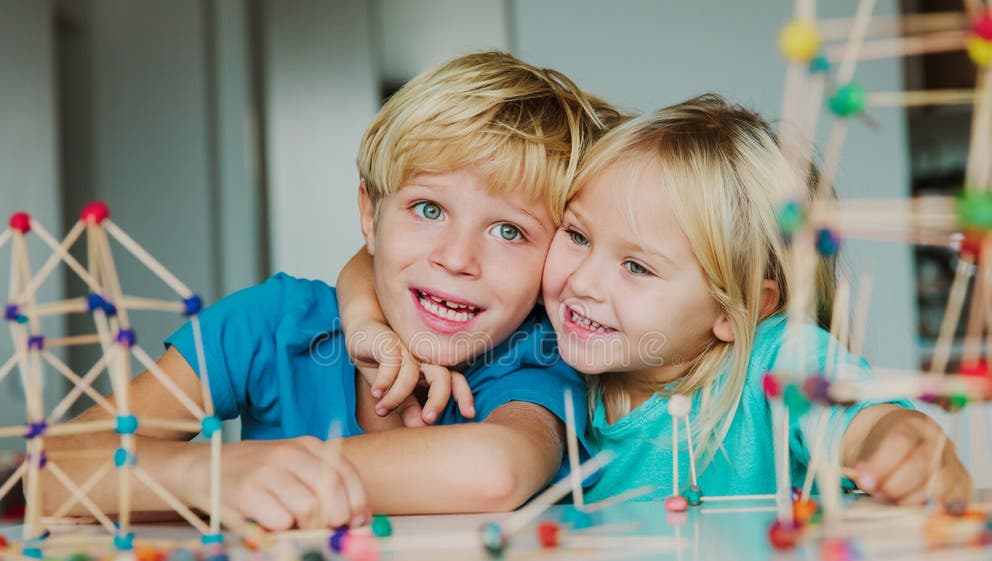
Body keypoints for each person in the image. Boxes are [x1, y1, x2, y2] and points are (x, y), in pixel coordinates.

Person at [44, 51, 622, 530]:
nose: (456, 258)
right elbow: (49, 474)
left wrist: (281, 473)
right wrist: (214, 476)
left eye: (509, 231)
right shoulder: (271, 325)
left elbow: (496, 469)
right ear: (370, 215)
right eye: (427, 208)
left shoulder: (534, 352)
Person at [347, 94, 972, 507]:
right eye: (577, 235)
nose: (584, 281)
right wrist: (366, 321)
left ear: (737, 311)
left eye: (638, 266)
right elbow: (363, 263)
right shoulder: (546, 347)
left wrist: (899, 438)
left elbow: (855, 416)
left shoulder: (774, 359)